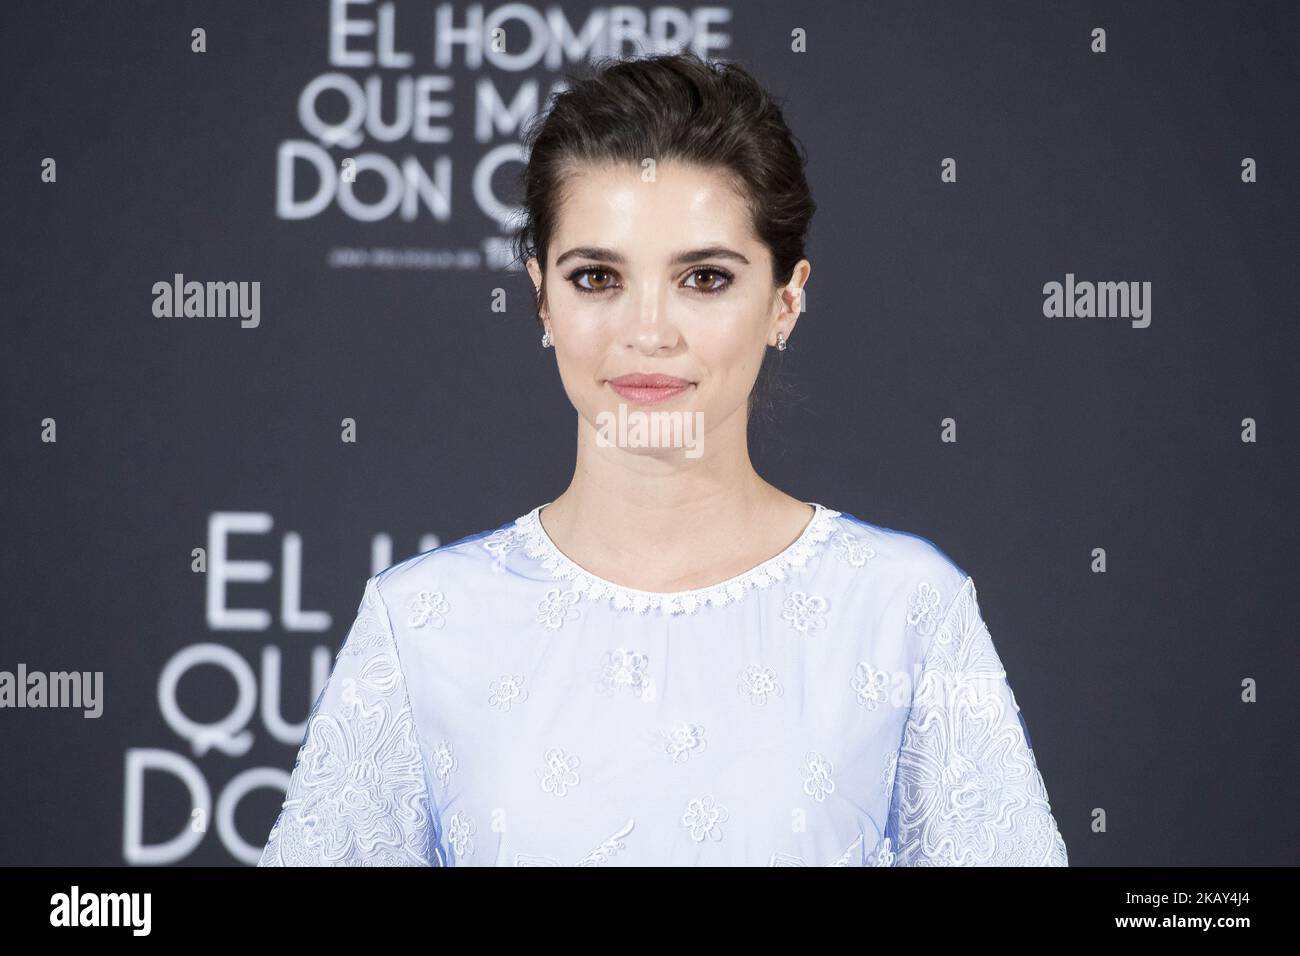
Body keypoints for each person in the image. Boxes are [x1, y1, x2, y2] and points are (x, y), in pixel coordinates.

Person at [257, 51, 1068, 867]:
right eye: (597, 277)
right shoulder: (422, 623)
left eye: (705, 278)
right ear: (541, 297)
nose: (648, 332)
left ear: (786, 300)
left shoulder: (904, 611)